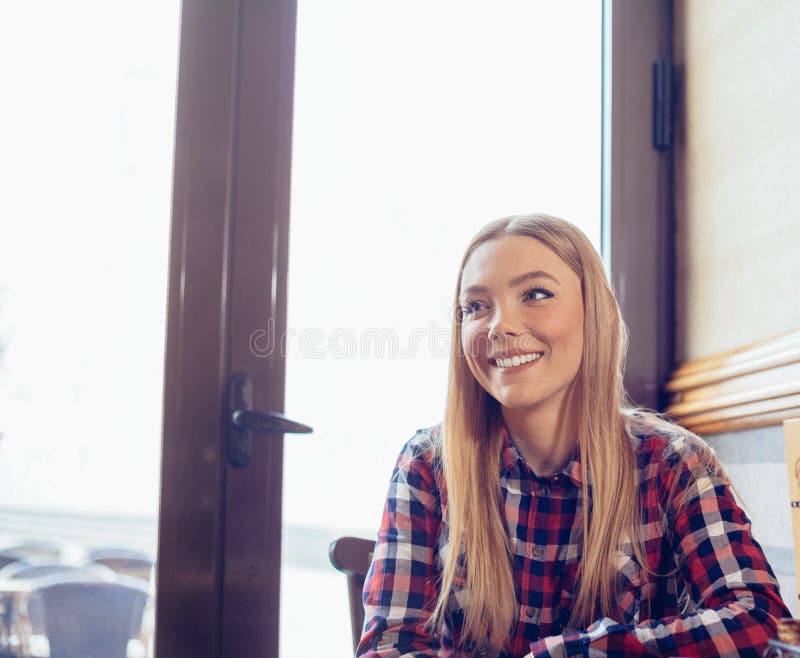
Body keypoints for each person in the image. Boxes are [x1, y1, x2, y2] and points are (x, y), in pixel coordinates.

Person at [357, 214, 790, 658]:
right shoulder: (427, 463)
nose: (498, 326)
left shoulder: (672, 461)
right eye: (476, 306)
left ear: (594, 313)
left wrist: (572, 654)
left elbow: (760, 623)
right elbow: (391, 647)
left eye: (535, 294)